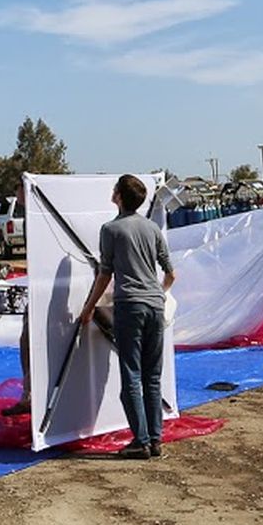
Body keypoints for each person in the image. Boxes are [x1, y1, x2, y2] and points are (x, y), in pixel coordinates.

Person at [80, 174, 176, 458]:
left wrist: (88, 308)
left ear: (119, 197)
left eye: (115, 190)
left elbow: (104, 273)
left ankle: (140, 441)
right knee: (152, 376)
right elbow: (171, 274)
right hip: (154, 308)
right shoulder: (152, 228)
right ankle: (155, 440)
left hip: (130, 307)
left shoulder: (111, 230)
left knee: (131, 375)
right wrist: (157, 293)